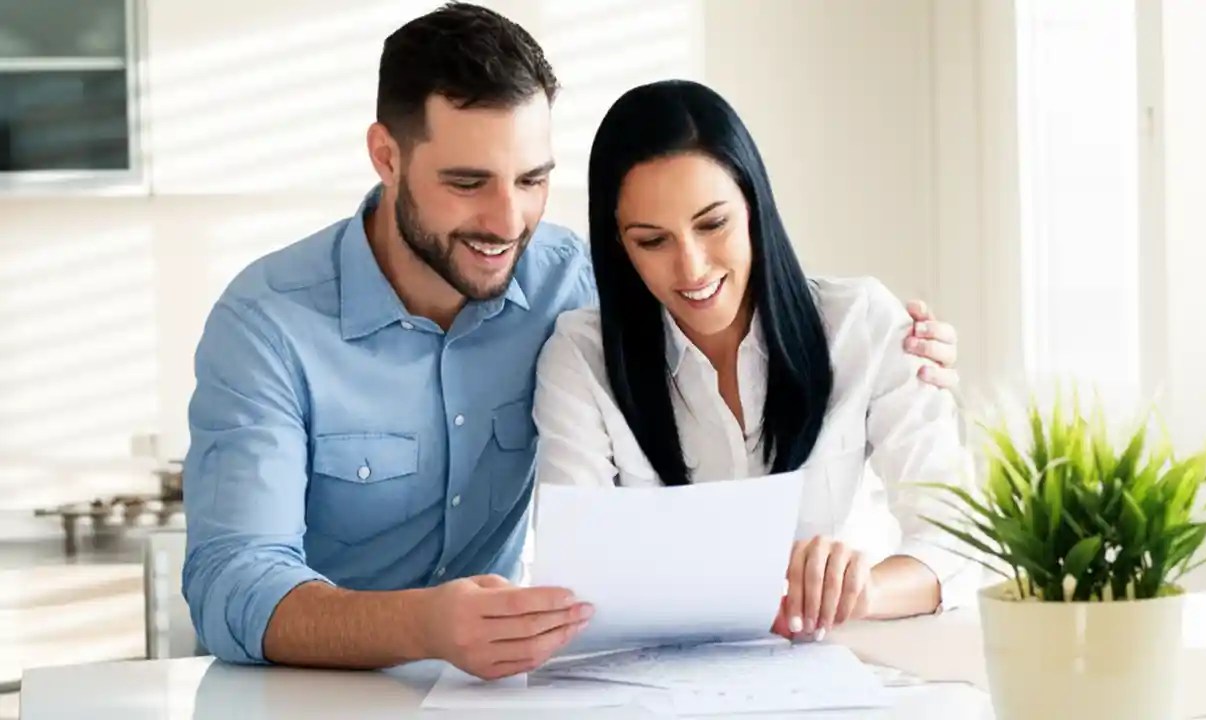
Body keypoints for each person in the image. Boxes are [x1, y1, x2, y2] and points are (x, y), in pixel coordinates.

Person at [181, 2, 962, 679]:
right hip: (312, 692)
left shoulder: (571, 283)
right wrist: (421, 626)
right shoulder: (268, 324)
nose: (507, 222)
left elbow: (713, 278)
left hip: (495, 688)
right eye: (467, 183)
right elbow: (230, 582)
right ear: (387, 156)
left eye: (531, 180)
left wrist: (910, 347)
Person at [532, 79, 979, 644]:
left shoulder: (860, 324)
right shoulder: (581, 358)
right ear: (619, 245)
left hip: (842, 663)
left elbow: (959, 542)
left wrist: (858, 591)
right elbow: (577, 579)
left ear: (754, 206)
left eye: (712, 224)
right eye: (652, 241)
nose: (692, 268)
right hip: (664, 678)